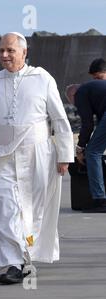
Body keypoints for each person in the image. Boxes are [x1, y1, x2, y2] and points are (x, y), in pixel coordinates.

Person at [0, 32, 73, 284]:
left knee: (33, 209)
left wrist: (64, 154)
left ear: (24, 52)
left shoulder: (43, 79)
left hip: (38, 153)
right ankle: (12, 263)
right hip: (1, 154)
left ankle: (26, 252)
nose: (5, 55)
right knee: (5, 208)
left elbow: (60, 119)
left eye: (10, 50)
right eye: (1, 51)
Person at [66, 58, 106, 212]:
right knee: (94, 150)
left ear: (73, 95)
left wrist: (81, 148)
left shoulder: (81, 92)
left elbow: (87, 124)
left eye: (73, 102)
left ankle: (100, 200)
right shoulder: (95, 89)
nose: (76, 105)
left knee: (93, 153)